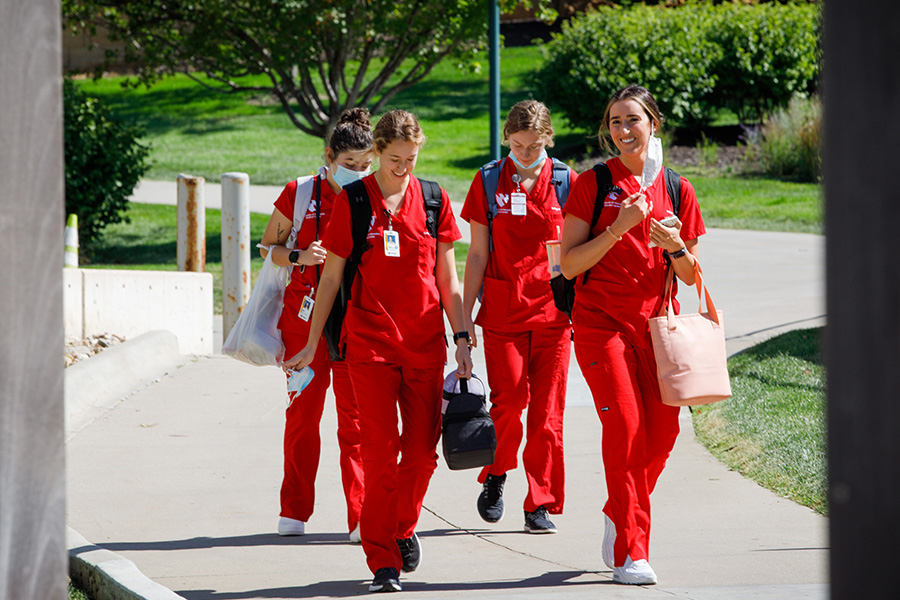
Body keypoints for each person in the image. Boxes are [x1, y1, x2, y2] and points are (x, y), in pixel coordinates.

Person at [284, 109, 473, 593]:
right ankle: (382, 559)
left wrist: (462, 339)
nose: (403, 167)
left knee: (420, 454)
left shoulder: (433, 199)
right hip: (368, 346)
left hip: (426, 345)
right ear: (376, 154)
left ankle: (402, 528)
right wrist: (311, 343)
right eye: (393, 159)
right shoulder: (354, 201)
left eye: (411, 158)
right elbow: (331, 277)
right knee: (379, 453)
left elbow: (447, 279)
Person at [559, 85, 705, 585]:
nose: (623, 130)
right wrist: (620, 227)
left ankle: (618, 510)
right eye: (615, 122)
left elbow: (690, 275)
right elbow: (569, 263)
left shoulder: (678, 187)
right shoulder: (593, 183)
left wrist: (675, 244)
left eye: (633, 120)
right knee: (624, 430)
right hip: (602, 327)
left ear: (653, 124)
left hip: (659, 330)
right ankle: (632, 552)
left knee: (663, 434)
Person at [460, 100, 576, 534]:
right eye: (519, 145)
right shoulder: (489, 180)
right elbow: (475, 253)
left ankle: (539, 501)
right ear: (507, 137)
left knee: (547, 415)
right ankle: (496, 473)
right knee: (508, 406)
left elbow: (580, 252)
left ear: (548, 139)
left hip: (553, 316)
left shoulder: (566, 181)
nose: (526, 154)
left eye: (534, 146)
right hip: (504, 313)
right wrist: (465, 318)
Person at [258, 108, 373, 543]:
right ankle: (294, 510)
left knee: (357, 422)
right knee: (302, 418)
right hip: (301, 323)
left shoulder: (371, 195)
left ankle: (361, 516)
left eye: (366, 166)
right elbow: (269, 248)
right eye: (350, 165)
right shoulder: (299, 193)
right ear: (329, 156)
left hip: (352, 321)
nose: (358, 173)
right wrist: (300, 256)